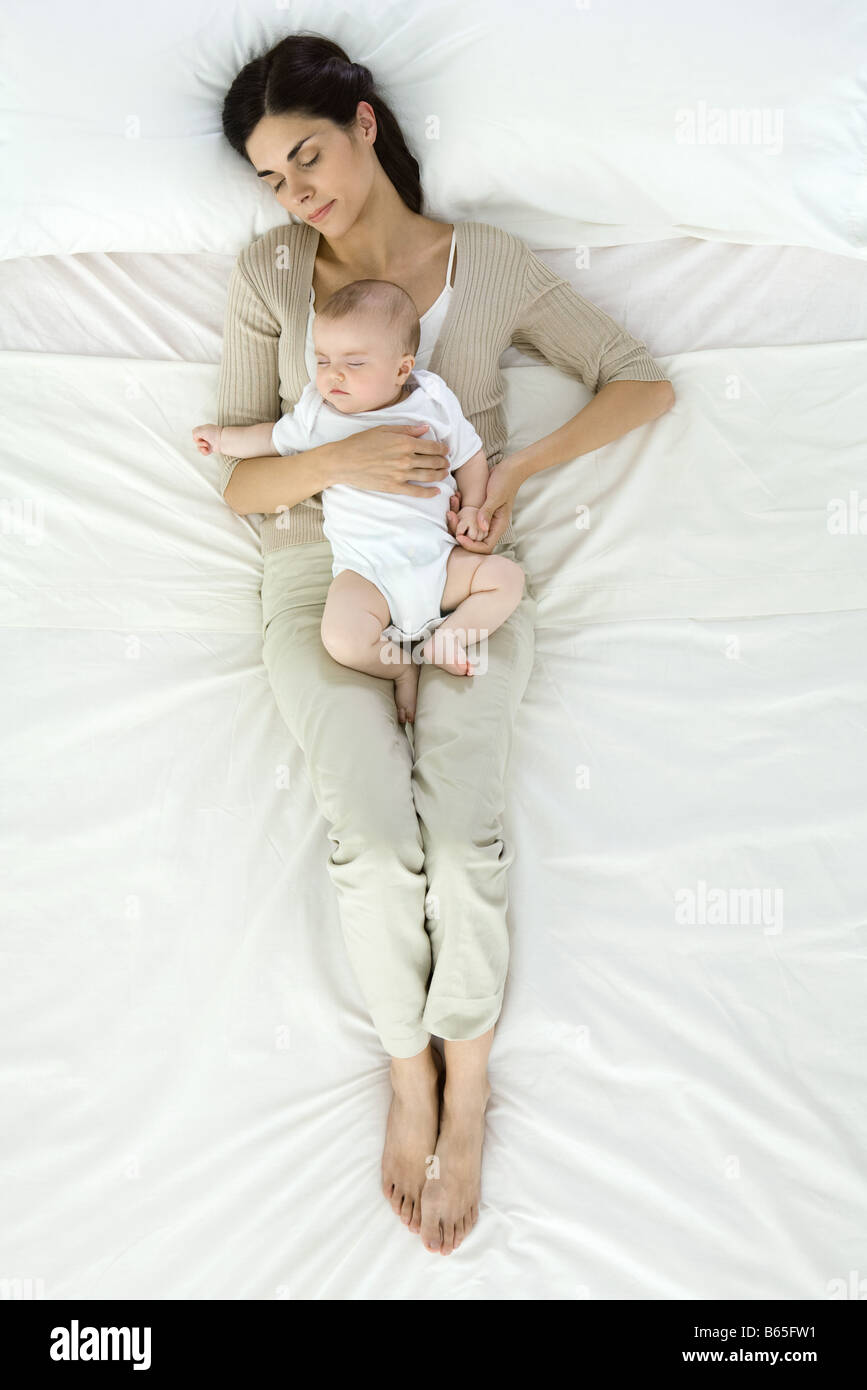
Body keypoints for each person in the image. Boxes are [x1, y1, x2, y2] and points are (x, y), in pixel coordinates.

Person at [217, 32, 675, 1256]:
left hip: (453, 568)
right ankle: (406, 1070)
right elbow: (240, 486)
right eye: (270, 178)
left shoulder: (494, 266)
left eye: (304, 156)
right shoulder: (269, 276)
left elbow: (640, 383)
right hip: (326, 573)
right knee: (372, 838)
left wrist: (515, 464)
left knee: (463, 843)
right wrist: (335, 460)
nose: (294, 193)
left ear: (365, 126)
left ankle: (466, 1082)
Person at [193, 278, 525, 725]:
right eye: (323, 359)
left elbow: (470, 456)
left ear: (402, 368)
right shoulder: (318, 415)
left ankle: (450, 638)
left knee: (505, 577)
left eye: (354, 362)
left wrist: (472, 508)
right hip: (366, 572)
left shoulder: (431, 401)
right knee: (342, 638)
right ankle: (399, 667)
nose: (333, 375)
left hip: (440, 560)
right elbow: (270, 438)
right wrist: (221, 438)